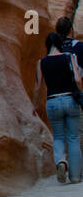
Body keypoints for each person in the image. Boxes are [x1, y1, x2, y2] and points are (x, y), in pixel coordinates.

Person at [36, 31, 83, 183]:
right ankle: (75, 177)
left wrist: (34, 105)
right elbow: (77, 79)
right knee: (74, 138)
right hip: (70, 99)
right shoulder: (69, 57)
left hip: (53, 101)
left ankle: (61, 161)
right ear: (60, 44)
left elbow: (38, 87)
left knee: (58, 137)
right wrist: (80, 93)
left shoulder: (41, 62)